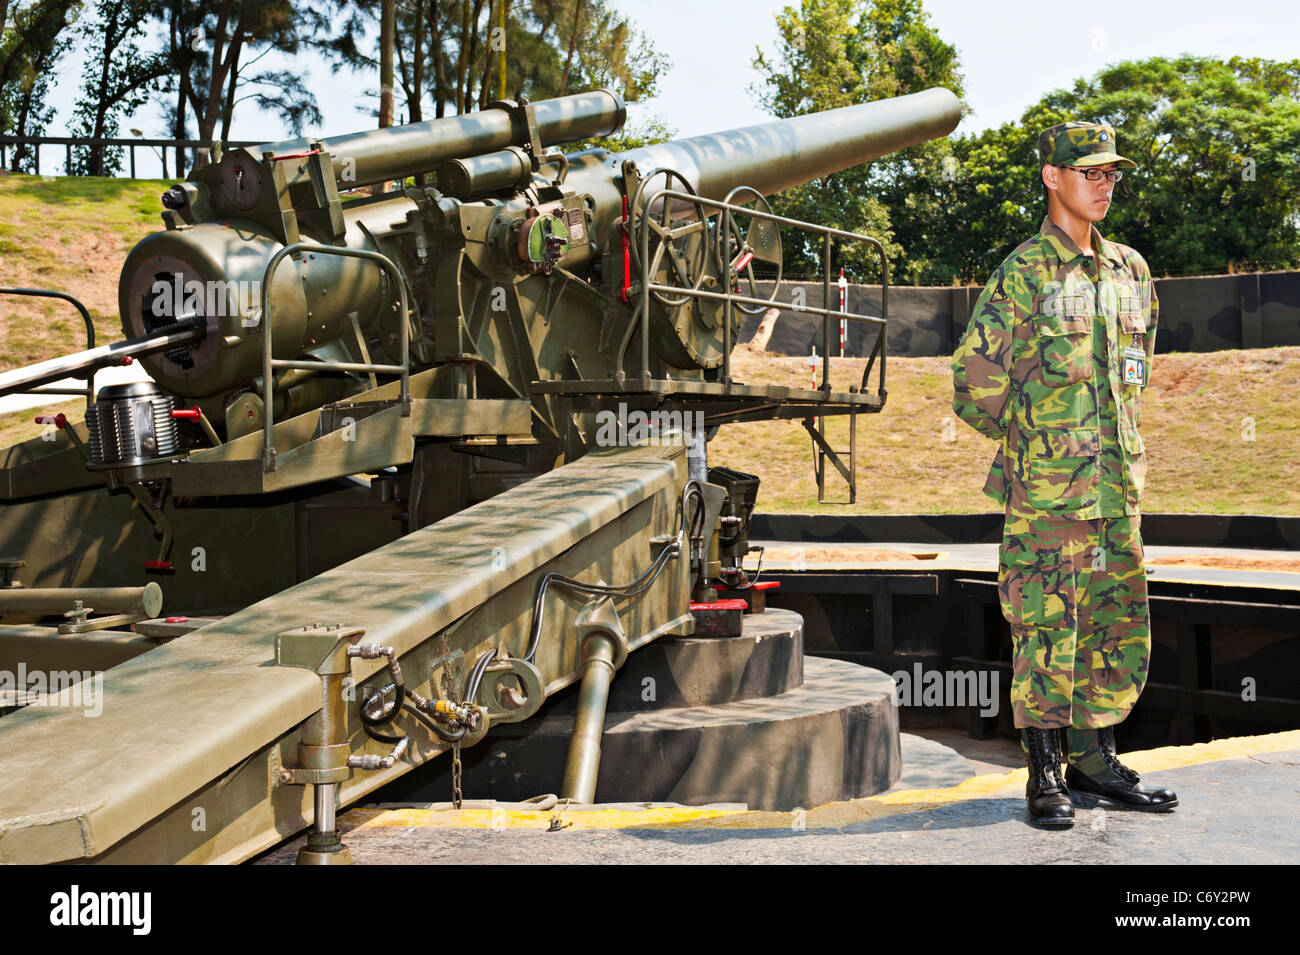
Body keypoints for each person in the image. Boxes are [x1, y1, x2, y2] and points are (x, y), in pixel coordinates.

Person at [950, 121, 1178, 828]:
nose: (1105, 186)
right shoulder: (1024, 273)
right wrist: (1036, 447)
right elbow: (974, 381)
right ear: (1053, 177)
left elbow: (1133, 377)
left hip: (1117, 496)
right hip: (1049, 500)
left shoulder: (1131, 273)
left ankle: (1095, 760)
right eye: (1090, 173)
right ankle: (1044, 770)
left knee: (1112, 628)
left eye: (1112, 174)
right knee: (1046, 630)